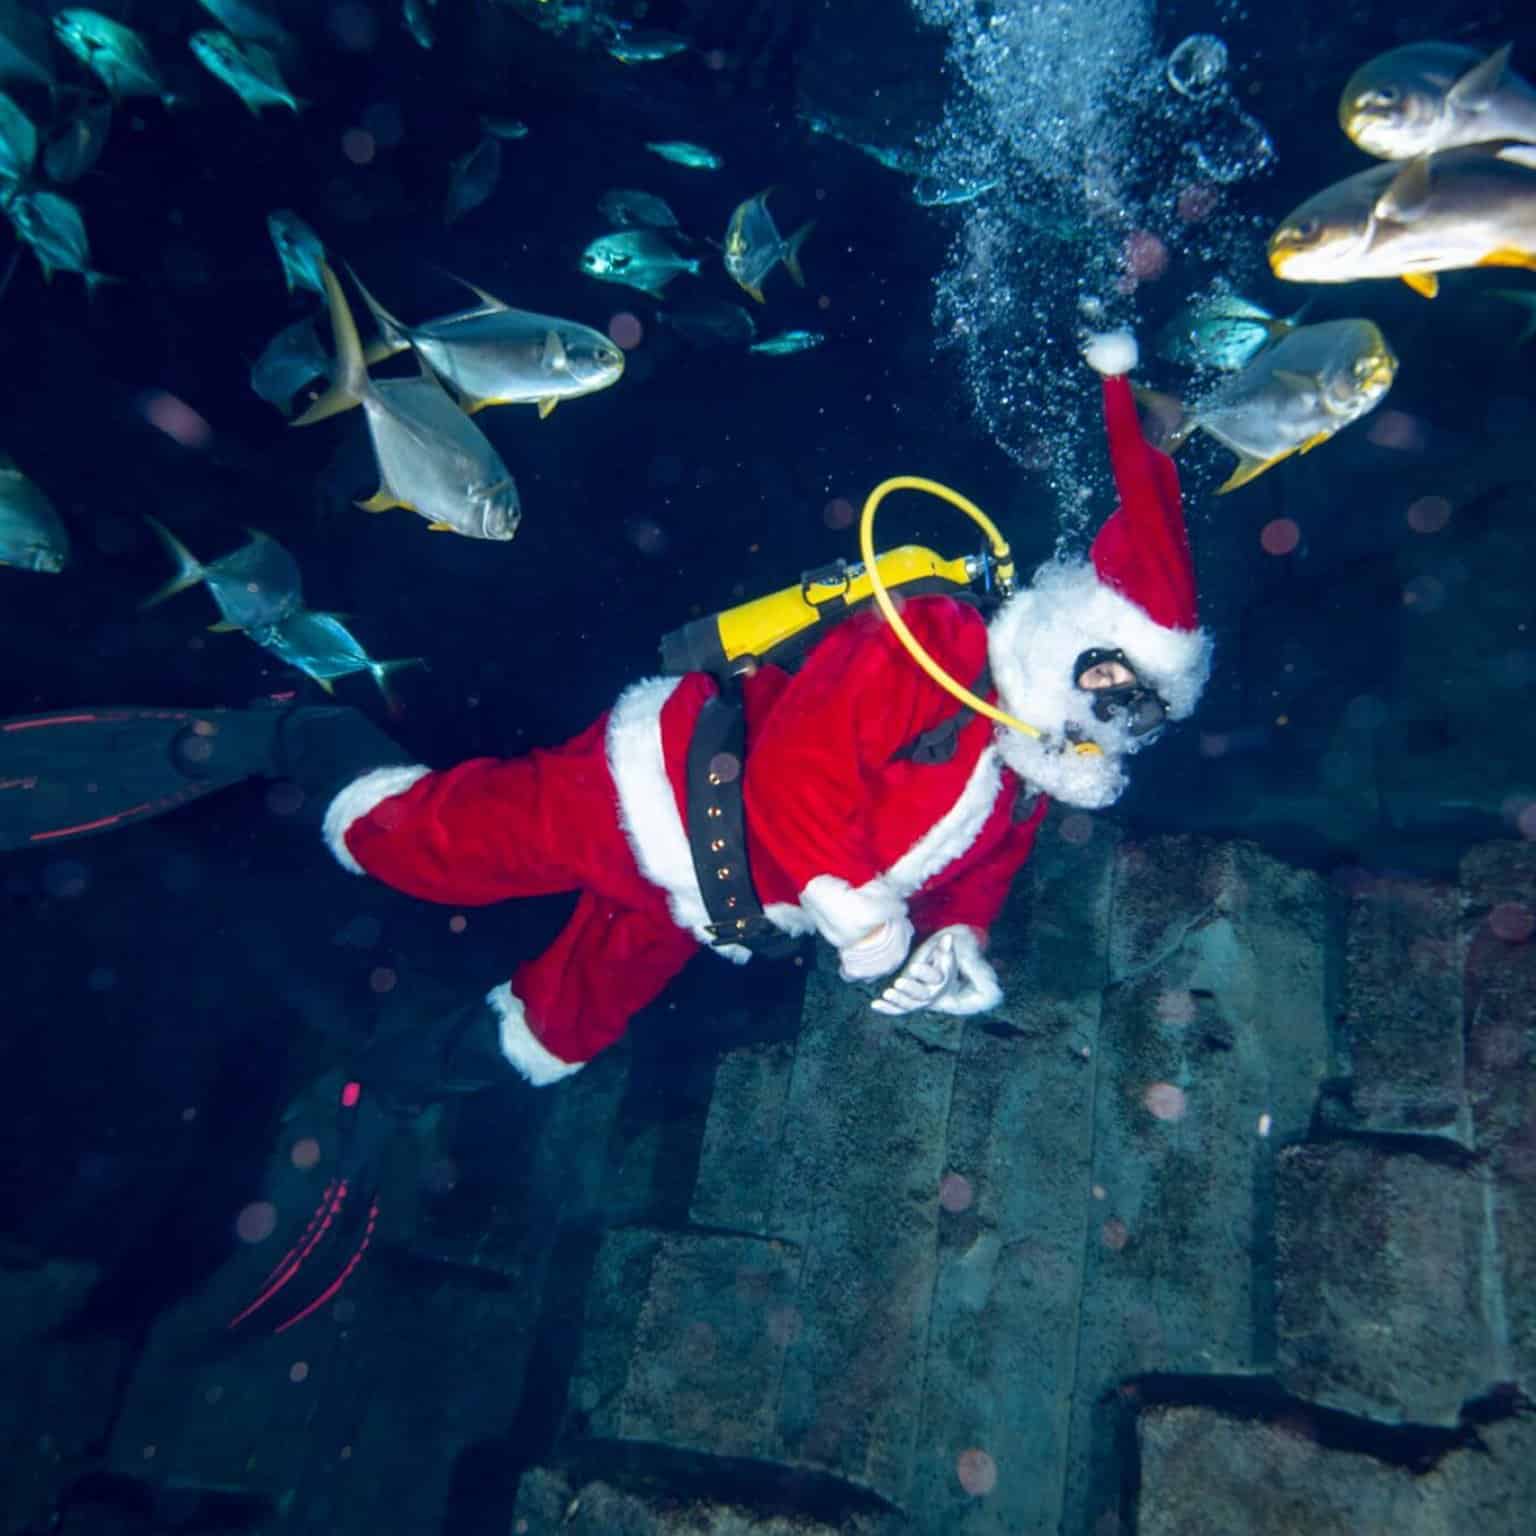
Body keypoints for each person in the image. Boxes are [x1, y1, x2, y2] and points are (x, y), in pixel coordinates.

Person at [2, 334, 1211, 1101]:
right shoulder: (932, 640)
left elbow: (970, 881)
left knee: (568, 1024)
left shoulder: (1010, 784)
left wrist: (952, 949)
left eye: (1143, 712)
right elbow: (801, 774)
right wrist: (863, 917)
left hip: (712, 904)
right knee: (426, 853)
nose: (1113, 718)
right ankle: (295, 737)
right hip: (649, 793)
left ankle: (423, 1074)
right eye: (1117, 681)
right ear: (1074, 631)